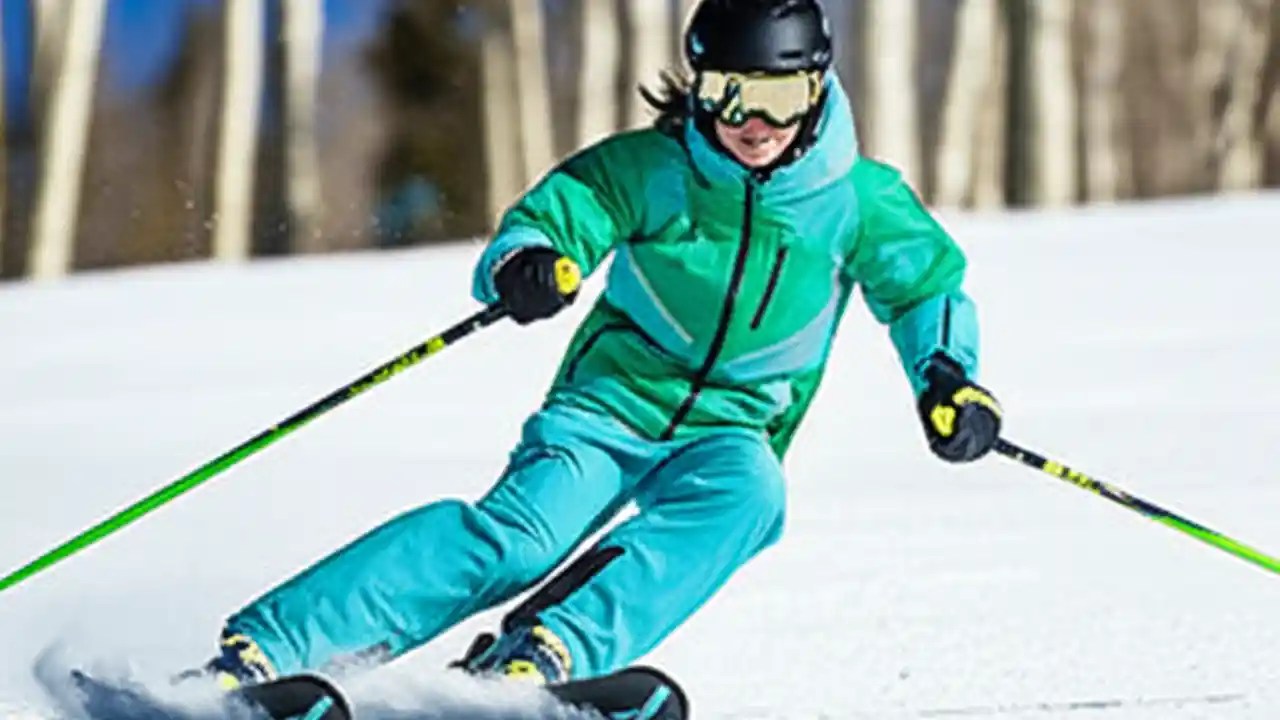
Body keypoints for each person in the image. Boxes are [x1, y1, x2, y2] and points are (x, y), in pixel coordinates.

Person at [199, 0, 1001, 698]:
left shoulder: (858, 202)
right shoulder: (654, 170)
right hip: (606, 410)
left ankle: (540, 655)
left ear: (818, 88)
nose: (754, 123)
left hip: (732, 431)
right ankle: (266, 653)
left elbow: (924, 287)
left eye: (781, 97)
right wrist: (530, 263)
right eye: (730, 93)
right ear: (699, 86)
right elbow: (564, 212)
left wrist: (948, 380)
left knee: (751, 496)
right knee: (516, 541)